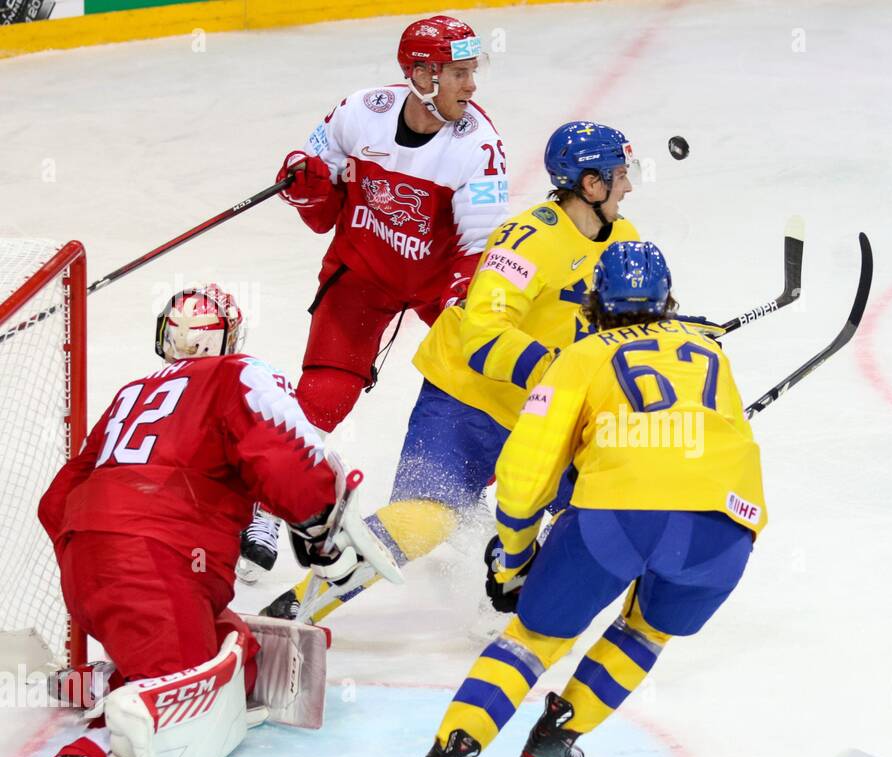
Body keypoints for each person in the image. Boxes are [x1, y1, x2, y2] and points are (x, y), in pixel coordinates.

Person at [392, 241, 766, 757]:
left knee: (530, 642)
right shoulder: (710, 352)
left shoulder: (579, 356)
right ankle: (553, 743)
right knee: (644, 633)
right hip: (723, 530)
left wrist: (513, 561)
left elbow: (523, 477)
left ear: (593, 302)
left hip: (617, 516)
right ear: (669, 301)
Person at [263, 121, 641, 624]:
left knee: (601, 510)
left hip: (546, 412)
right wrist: (557, 369)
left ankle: (520, 589)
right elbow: (482, 335)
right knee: (427, 517)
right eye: (620, 174)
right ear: (591, 185)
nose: (629, 185)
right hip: (469, 398)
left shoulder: (625, 239)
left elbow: (627, 321)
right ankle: (289, 611)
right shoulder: (526, 242)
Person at [33, 285, 400, 757]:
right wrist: (322, 523)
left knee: (211, 641)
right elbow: (286, 455)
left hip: (91, 556)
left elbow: (54, 503)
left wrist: (96, 559)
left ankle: (115, 674)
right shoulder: (239, 372)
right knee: (184, 693)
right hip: (156, 559)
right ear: (228, 337)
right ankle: (102, 750)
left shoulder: (131, 393)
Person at [239, 13, 509, 581]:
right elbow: (321, 210)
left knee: (483, 381)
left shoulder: (478, 147)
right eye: (459, 73)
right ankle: (263, 506)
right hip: (363, 270)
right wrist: (308, 185)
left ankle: (460, 489)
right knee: (324, 395)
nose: (472, 85)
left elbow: (479, 249)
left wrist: (465, 306)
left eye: (470, 72)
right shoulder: (358, 112)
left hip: (439, 284)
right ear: (422, 75)